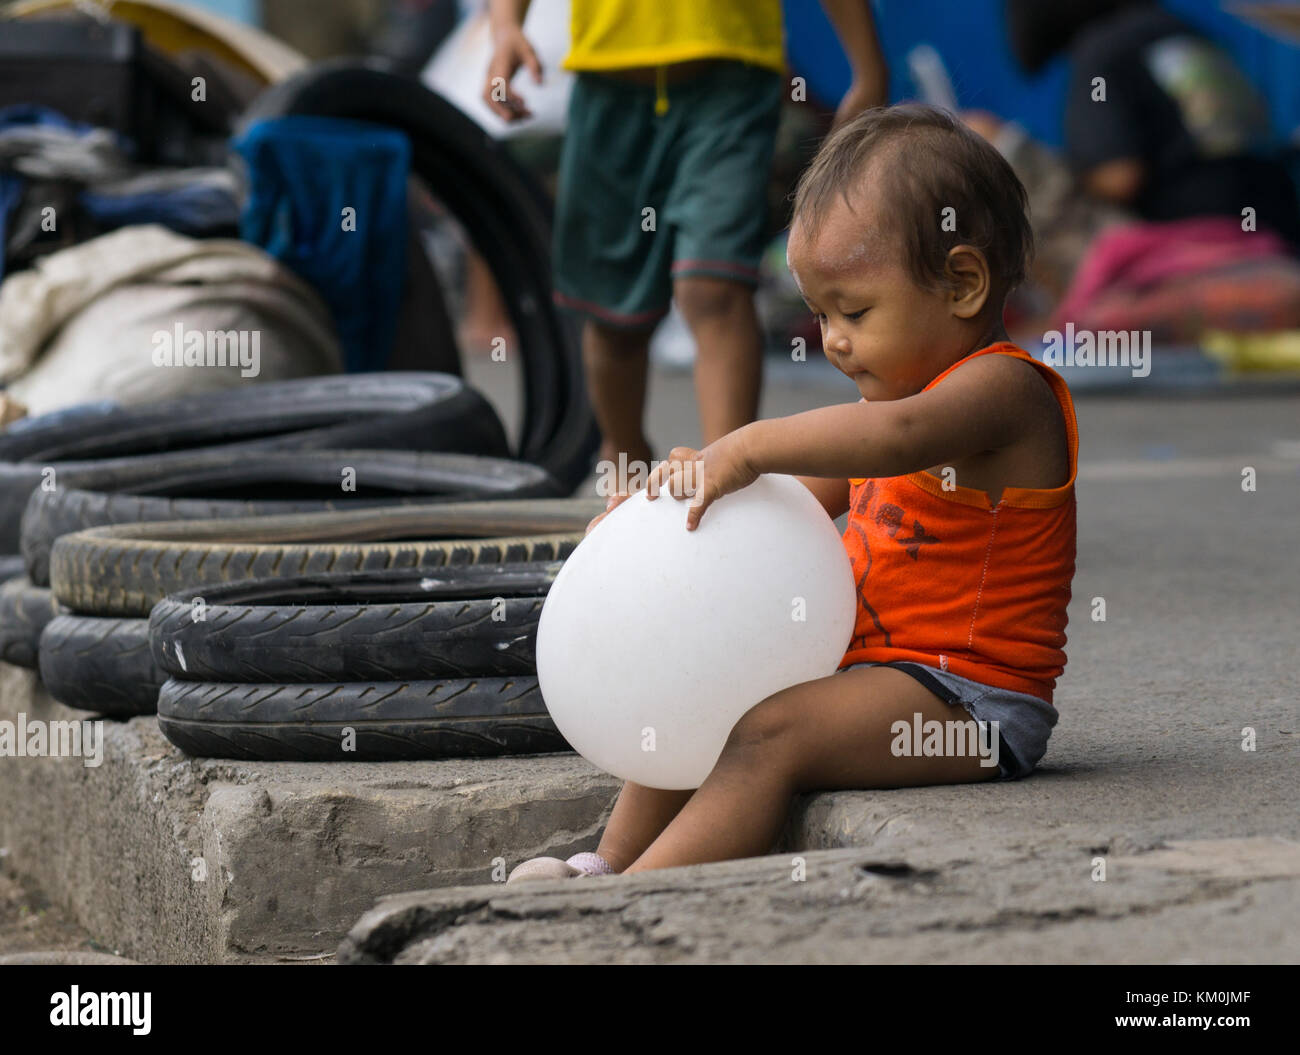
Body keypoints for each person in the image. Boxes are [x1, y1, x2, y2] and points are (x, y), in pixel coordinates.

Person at [508, 104, 1077, 881]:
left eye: (856, 311)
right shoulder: (893, 410)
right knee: (701, 684)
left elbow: (895, 439)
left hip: (968, 705)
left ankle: (634, 895)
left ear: (963, 283)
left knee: (768, 733)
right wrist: (673, 507)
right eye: (820, 314)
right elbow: (782, 504)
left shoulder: (1005, 392)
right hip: (870, 673)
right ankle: (601, 865)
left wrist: (743, 444)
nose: (833, 339)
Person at [484, 0, 888, 477]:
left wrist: (867, 69)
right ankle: (623, 459)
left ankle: (727, 473)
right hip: (607, 91)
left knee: (713, 288)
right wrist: (506, 26)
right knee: (615, 318)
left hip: (730, 85)